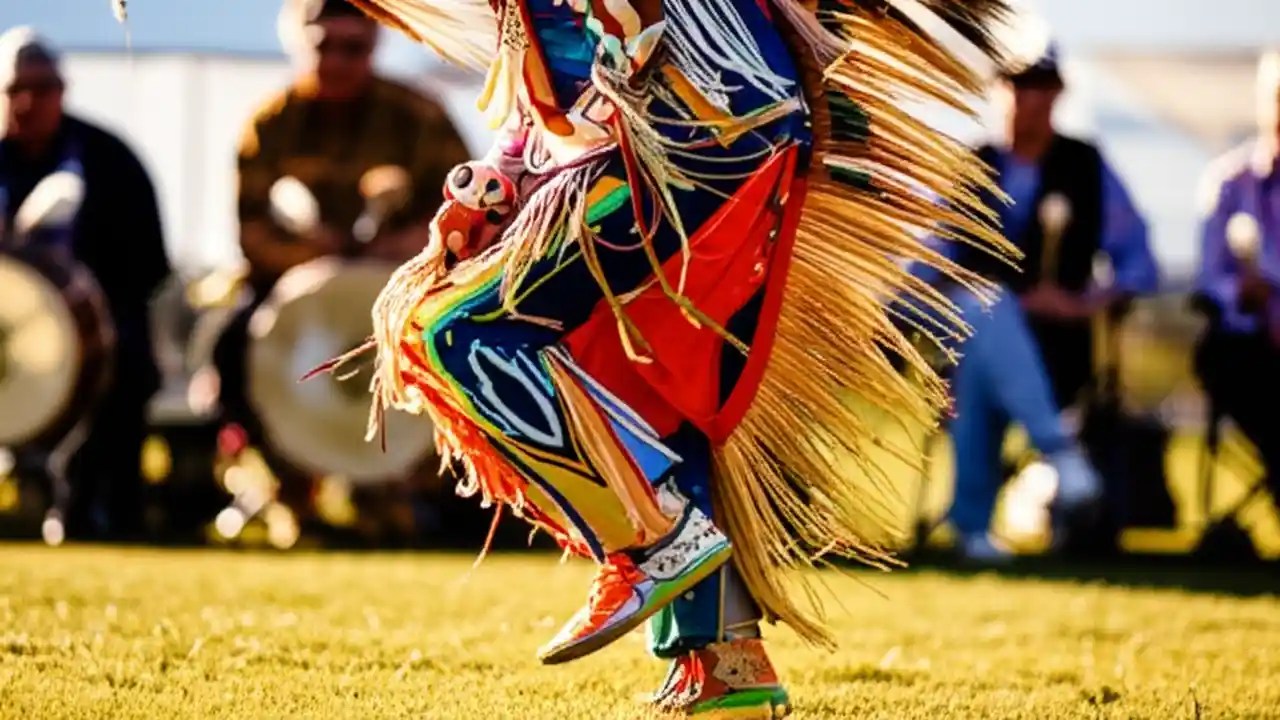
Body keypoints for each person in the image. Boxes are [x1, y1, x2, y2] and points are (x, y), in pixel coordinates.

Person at [284, 0, 1011, 716]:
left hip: (691, 140)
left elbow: (636, 53)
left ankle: (655, 536)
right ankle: (726, 667)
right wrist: (501, 180)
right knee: (645, 390)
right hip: (701, 139)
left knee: (453, 332)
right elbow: (554, 100)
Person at [214, 0, 469, 513]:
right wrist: (315, 256)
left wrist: (402, 251)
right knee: (228, 349)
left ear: (375, 47)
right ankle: (285, 483)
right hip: (295, 292)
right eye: (323, 46)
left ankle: (432, 493)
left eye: (352, 48)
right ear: (299, 45)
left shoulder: (419, 117)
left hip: (406, 290)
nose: (336, 61)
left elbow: (470, 208)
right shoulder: (270, 123)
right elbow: (252, 230)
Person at [919, 40, 1160, 563]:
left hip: (1060, 349)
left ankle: (973, 525)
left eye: (1041, 87)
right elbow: (923, 262)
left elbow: (1141, 264)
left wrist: (1084, 302)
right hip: (966, 335)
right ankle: (1061, 455)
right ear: (999, 90)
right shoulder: (971, 167)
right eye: (1018, 85)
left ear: (1058, 95)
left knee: (981, 352)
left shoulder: (1086, 165)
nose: (1029, 99)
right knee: (984, 310)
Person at [0, 27, 170, 541]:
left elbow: (147, 267)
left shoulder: (109, 160)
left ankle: (103, 509)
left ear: (63, 91)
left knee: (129, 365)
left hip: (93, 333)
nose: (30, 101)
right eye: (15, 90)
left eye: (43, 88)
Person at [1193, 49, 1280, 518]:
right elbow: (1210, 277)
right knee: (1248, 376)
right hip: (1245, 345)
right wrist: (1243, 294)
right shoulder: (1230, 182)